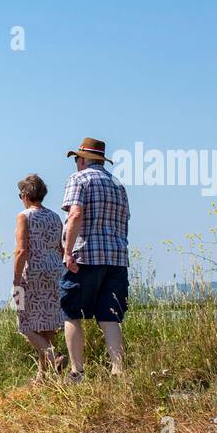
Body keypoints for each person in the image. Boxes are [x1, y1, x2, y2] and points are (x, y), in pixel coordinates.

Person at [59, 138, 130, 380]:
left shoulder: (78, 180)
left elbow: (76, 214)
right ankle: (117, 370)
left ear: (83, 159)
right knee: (110, 316)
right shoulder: (118, 184)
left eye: (77, 158)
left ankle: (77, 371)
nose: (76, 163)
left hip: (85, 256)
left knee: (72, 313)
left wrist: (67, 252)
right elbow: (124, 222)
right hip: (116, 258)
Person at [11, 174, 66, 380]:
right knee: (48, 323)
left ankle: (53, 357)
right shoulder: (54, 217)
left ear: (25, 194)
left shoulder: (24, 216)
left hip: (33, 272)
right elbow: (60, 248)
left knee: (25, 324)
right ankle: (42, 374)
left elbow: (21, 250)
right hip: (54, 271)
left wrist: (16, 279)